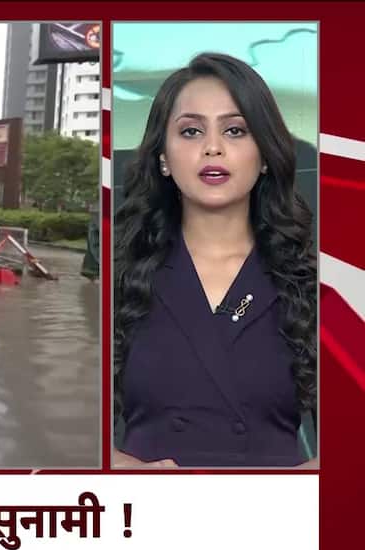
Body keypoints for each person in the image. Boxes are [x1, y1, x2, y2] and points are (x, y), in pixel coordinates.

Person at [113, 53, 317, 468]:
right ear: (163, 158)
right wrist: (120, 468)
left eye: (236, 130)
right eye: (190, 131)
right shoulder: (121, 273)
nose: (212, 148)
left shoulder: (315, 281)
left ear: (264, 154)